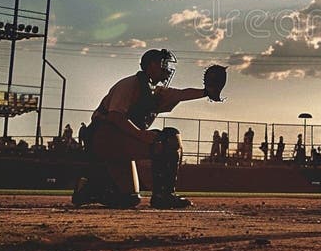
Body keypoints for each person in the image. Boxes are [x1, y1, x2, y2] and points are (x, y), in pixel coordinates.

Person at [71, 49, 220, 209]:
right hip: (104, 137)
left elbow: (182, 94)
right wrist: (141, 135)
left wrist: (208, 92)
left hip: (118, 141)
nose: (167, 69)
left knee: (129, 198)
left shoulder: (155, 91)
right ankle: (163, 196)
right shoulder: (130, 84)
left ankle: (89, 190)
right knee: (168, 139)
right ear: (151, 66)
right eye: (163, 64)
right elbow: (115, 117)